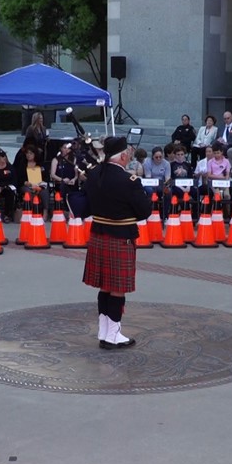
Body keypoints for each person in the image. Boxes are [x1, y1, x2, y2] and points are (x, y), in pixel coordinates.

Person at [82, 137, 151, 349]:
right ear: (122, 156)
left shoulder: (93, 175)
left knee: (104, 286)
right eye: (127, 153)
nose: (129, 156)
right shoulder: (128, 181)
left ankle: (104, 331)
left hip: (98, 235)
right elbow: (144, 211)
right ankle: (113, 335)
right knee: (117, 288)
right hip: (121, 238)